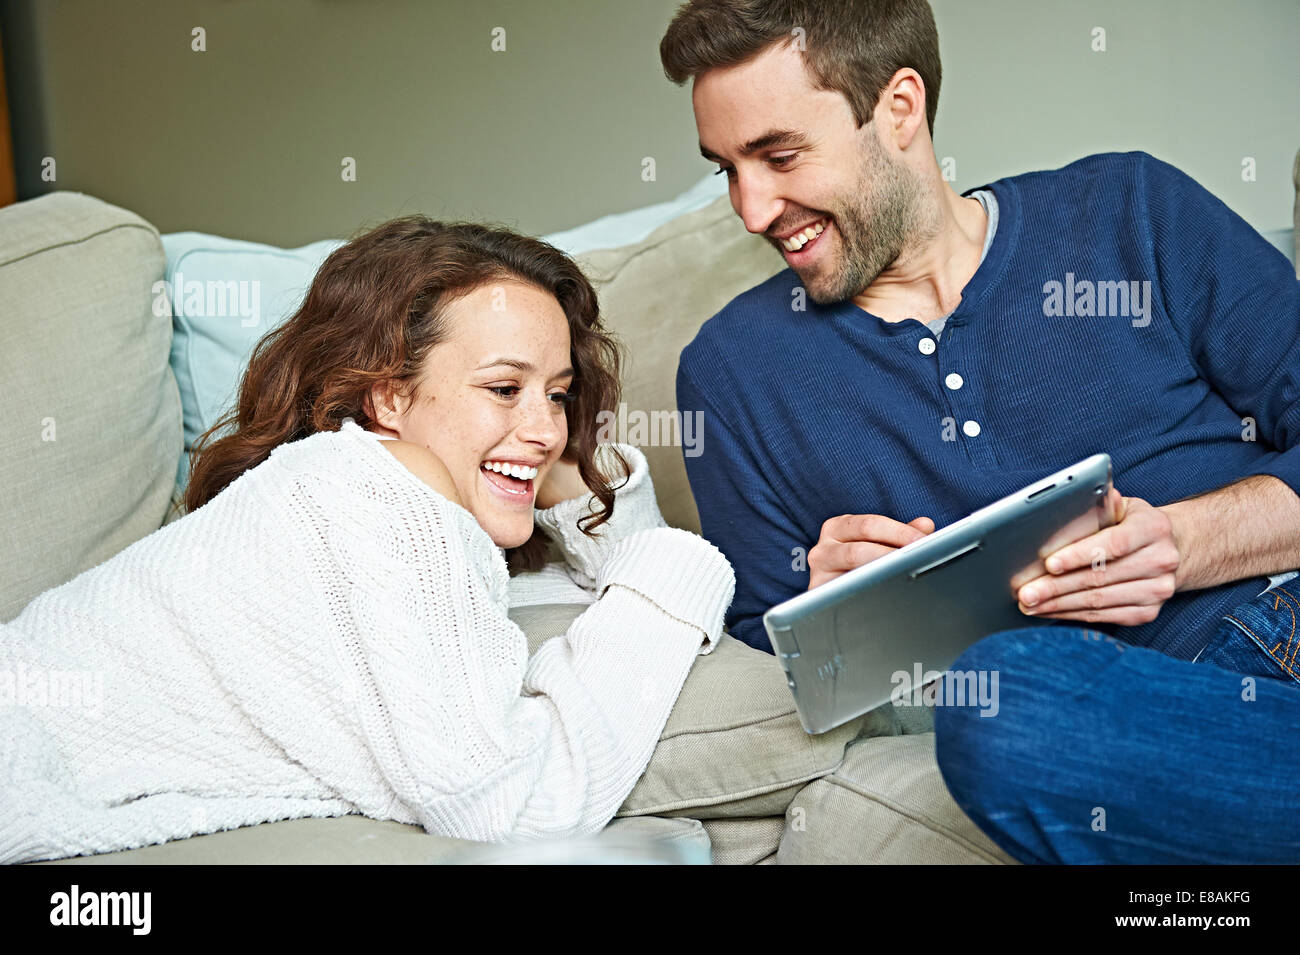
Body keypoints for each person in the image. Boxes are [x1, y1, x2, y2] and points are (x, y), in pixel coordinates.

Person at [659, 0, 1300, 862]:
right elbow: (764, 648)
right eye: (725, 170)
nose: (750, 209)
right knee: (1001, 708)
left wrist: (1186, 542)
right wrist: (826, 605)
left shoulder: (1128, 209)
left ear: (899, 107)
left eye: (778, 156)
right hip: (1084, 720)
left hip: (1277, 610)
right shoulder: (732, 373)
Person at [0, 217, 735, 864]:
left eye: (558, 392)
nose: (546, 428)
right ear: (387, 396)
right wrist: (674, 573)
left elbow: (592, 587)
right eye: (505, 389)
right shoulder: (378, 483)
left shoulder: (416, 525)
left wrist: (569, 477)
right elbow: (511, 805)